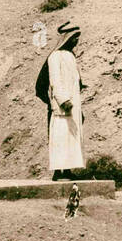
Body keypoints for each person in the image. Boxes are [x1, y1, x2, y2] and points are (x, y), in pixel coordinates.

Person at [36, 21, 86, 180]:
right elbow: (55, 81)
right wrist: (63, 100)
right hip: (61, 106)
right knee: (59, 137)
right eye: (74, 38)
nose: (76, 41)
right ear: (67, 38)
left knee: (70, 138)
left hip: (73, 106)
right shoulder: (55, 57)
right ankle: (58, 171)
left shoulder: (71, 57)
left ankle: (68, 170)